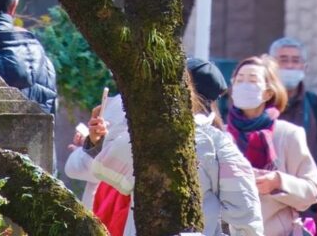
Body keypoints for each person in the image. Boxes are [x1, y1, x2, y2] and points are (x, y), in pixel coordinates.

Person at [91, 56, 265, 236]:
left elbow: (103, 166)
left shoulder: (148, 136)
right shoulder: (220, 144)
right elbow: (246, 215)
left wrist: (109, 130)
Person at [226, 55, 317, 236]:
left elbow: (312, 192)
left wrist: (278, 182)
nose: (244, 85)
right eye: (239, 80)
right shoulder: (222, 135)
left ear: (268, 93)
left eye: (253, 80)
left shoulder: (287, 134)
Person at [268, 37, 317, 163]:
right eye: (283, 60)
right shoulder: (259, 103)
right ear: (270, 65)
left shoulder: (316, 105)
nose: (290, 66)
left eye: (295, 61)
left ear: (305, 67)